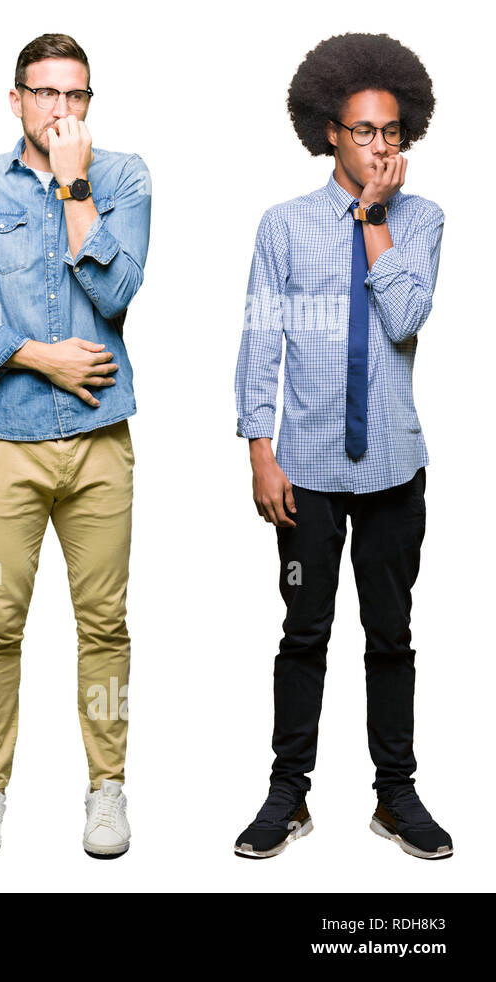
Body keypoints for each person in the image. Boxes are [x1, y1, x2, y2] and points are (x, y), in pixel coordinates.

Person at [0, 33, 151, 860]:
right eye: (46, 93)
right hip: (8, 442)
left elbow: (117, 292)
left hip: (100, 442)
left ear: (90, 103)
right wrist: (37, 355)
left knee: (104, 622)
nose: (62, 110)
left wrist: (74, 185)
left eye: (77, 95)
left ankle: (107, 787)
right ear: (16, 98)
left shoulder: (122, 178)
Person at [233, 32, 451, 861]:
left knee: (391, 635)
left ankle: (396, 794)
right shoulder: (282, 227)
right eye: (364, 131)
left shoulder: (422, 221)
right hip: (309, 469)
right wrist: (261, 450)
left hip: (394, 464)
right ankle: (287, 793)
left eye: (392, 132)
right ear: (331, 131)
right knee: (304, 634)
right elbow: (261, 341)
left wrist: (372, 219)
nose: (380, 146)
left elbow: (402, 319)